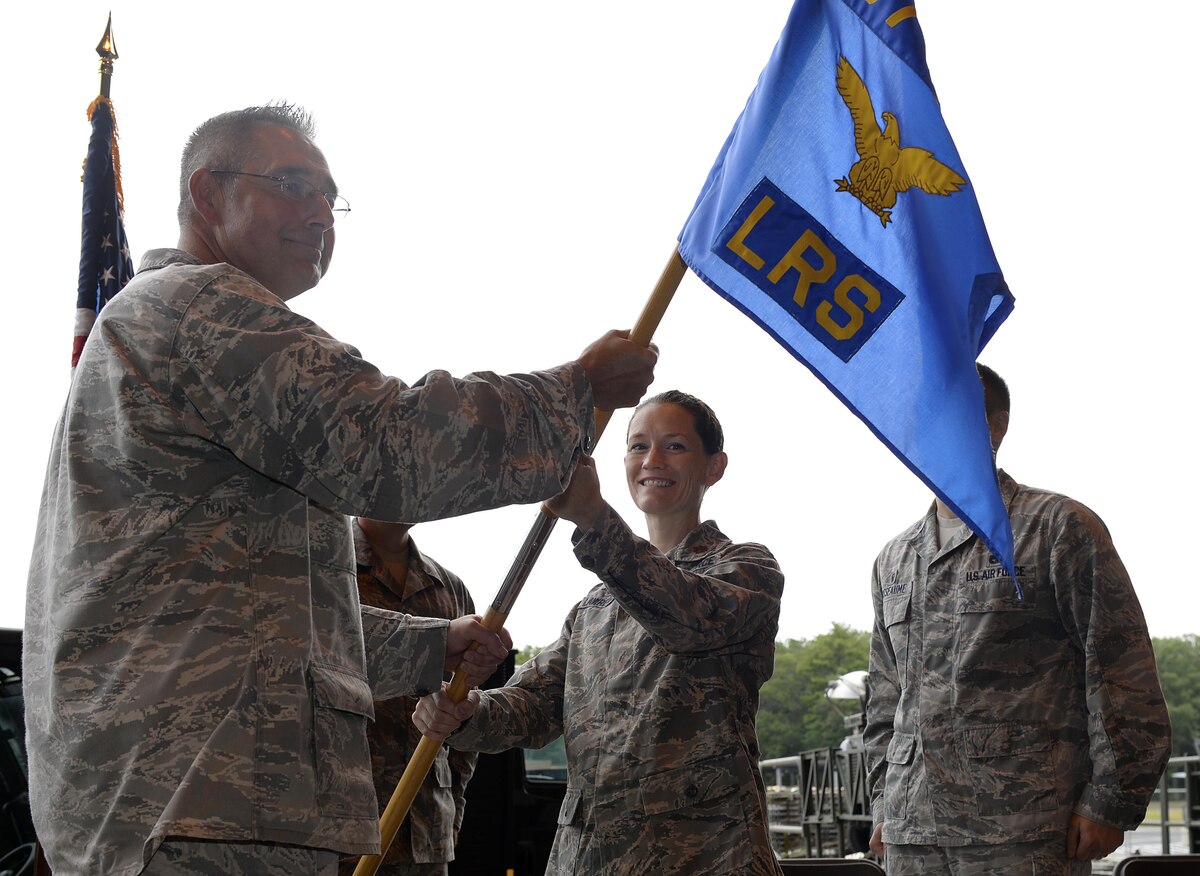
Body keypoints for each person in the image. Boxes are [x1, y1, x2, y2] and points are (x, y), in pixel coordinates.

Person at [24, 102, 657, 876]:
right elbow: (389, 443)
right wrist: (575, 391)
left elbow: (272, 622)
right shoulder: (197, 308)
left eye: (330, 195)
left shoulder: (172, 326)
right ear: (205, 196)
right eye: (291, 183)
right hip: (197, 807)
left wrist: (432, 643)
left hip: (198, 803)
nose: (320, 210)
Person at [414, 390, 786, 875]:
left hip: (704, 855)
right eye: (637, 446)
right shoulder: (593, 608)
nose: (652, 459)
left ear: (714, 467)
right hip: (592, 857)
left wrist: (595, 520)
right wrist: (464, 711)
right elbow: (533, 707)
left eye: (674, 446)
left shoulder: (746, 570)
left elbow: (688, 619)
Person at [864, 364, 1171, 875]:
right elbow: (883, 701)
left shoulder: (1056, 528)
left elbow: (1120, 667)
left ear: (996, 426)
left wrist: (1111, 800)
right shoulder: (894, 560)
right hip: (914, 833)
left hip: (1024, 828)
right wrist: (884, 802)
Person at [338, 519, 479, 876]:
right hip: (341, 831)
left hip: (426, 833)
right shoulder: (328, 574)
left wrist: (452, 814)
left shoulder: (449, 589)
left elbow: (463, 722)